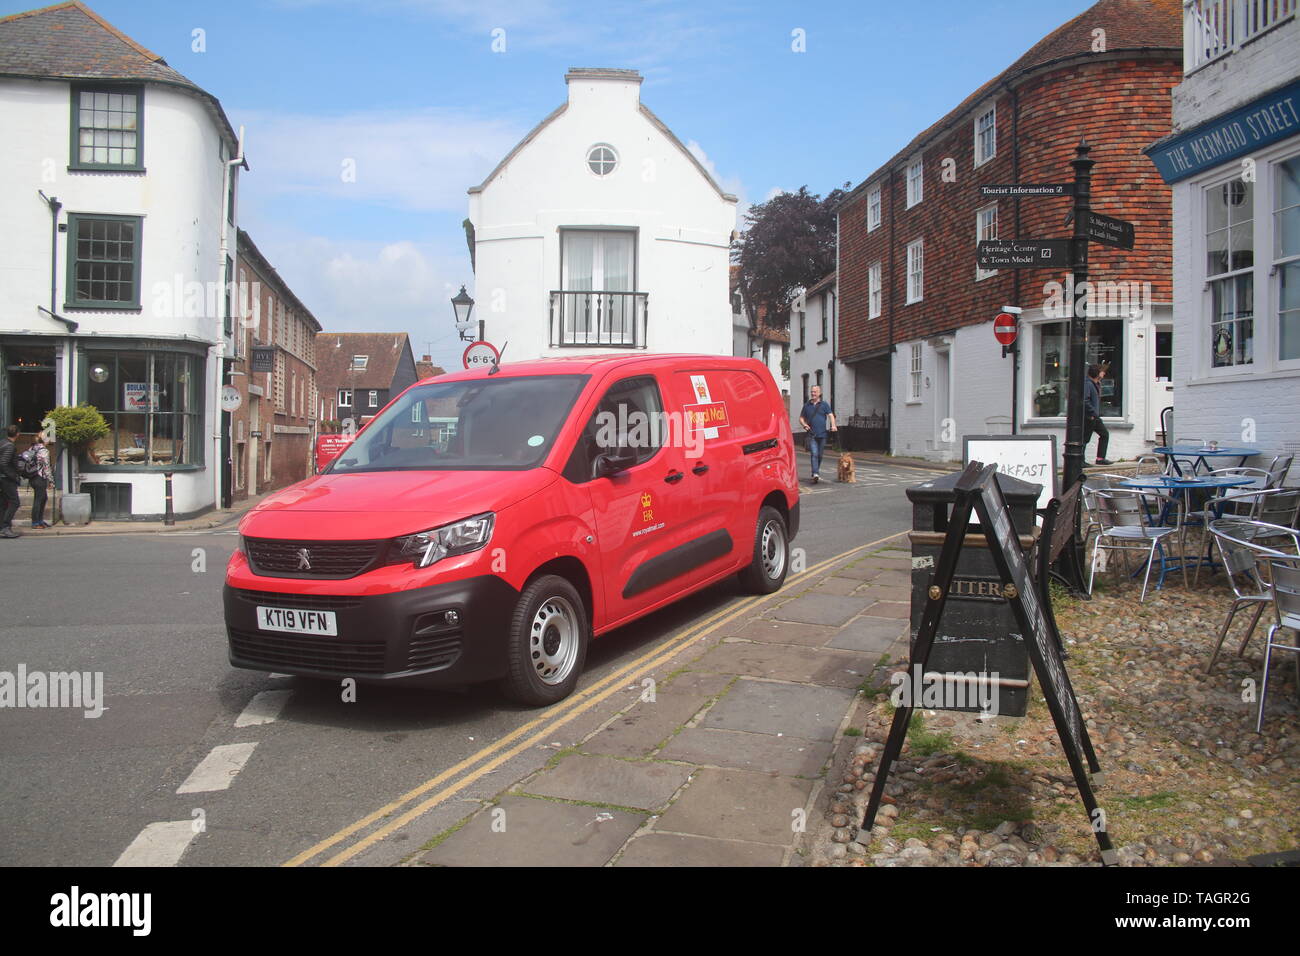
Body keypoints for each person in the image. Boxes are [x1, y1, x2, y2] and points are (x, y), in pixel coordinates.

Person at [799, 384, 837, 484]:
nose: (813, 393)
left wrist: (833, 425)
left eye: (815, 392)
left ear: (819, 393)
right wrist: (804, 425)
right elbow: (801, 418)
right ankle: (815, 473)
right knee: (814, 454)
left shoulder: (824, 405)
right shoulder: (807, 405)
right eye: (812, 391)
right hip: (812, 435)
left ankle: (816, 472)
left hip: (822, 434)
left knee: (820, 455)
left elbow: (831, 415)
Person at [1084, 365, 1113, 466]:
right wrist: (1092, 412)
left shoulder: (1095, 383)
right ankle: (1080, 461)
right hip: (1089, 416)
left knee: (1104, 434)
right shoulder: (1088, 384)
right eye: (1102, 371)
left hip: (1094, 416)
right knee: (1084, 438)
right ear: (1097, 373)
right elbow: (1085, 400)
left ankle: (1100, 458)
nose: (1104, 373)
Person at [26, 433, 53, 529]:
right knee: (38, 500)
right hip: (40, 477)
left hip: (33, 477)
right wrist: (51, 481)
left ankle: (40, 520)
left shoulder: (32, 448)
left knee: (43, 498)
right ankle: (35, 522)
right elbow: (47, 467)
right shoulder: (44, 451)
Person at [0, 425, 21, 538]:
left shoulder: (2, 442)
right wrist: (13, 476)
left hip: (3, 478)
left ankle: (3, 527)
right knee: (14, 502)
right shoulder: (10, 446)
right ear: (17, 434)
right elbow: (3, 463)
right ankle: (5, 526)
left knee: (3, 503)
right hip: (6, 479)